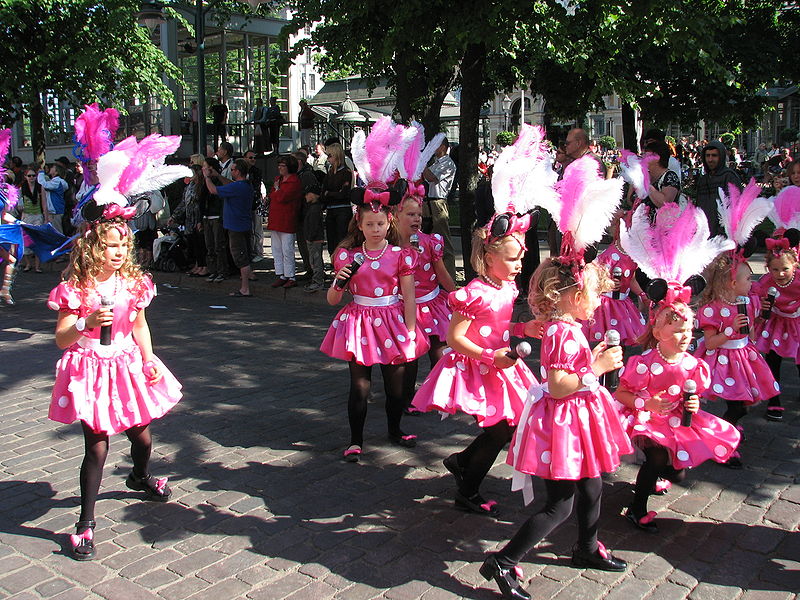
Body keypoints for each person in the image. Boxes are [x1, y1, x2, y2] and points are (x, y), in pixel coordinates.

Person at [481, 153, 630, 600]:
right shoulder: (563, 333)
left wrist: (593, 359)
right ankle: (503, 561)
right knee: (559, 505)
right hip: (563, 424)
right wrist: (595, 369)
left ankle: (587, 547)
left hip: (577, 421)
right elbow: (561, 384)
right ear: (571, 296)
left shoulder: (570, 327)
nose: (598, 302)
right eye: (593, 295)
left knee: (593, 485)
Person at [47, 133, 188, 561]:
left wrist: (148, 358)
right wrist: (86, 323)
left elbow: (140, 324)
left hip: (126, 364)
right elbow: (61, 337)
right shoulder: (77, 287)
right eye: (110, 245)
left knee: (142, 437)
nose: (118, 251)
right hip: (91, 366)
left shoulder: (134, 282)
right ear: (94, 245)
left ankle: (139, 476)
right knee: (97, 446)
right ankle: (85, 523)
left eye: (123, 244)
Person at [320, 193, 428, 461]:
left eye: (380, 224)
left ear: (389, 222)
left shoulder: (400, 255)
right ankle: (355, 441)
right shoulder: (349, 256)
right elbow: (332, 300)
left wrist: (411, 331)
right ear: (359, 225)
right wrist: (339, 281)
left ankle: (395, 430)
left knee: (396, 387)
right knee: (359, 387)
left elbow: (409, 297)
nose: (375, 229)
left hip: (392, 323)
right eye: (369, 224)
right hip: (360, 324)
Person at [752, 228, 800, 422]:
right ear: (768, 268)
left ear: (795, 265)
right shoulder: (765, 283)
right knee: (773, 360)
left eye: (785, 269)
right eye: (775, 269)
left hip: (796, 321)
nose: (780, 274)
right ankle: (774, 398)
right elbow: (755, 299)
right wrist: (761, 305)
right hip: (776, 322)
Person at [582, 216, 645, 348]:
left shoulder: (632, 256)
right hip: (607, 306)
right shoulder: (609, 255)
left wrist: (642, 294)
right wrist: (605, 283)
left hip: (622, 303)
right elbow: (589, 273)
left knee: (622, 339)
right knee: (607, 339)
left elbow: (631, 279)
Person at [203, 158, 254, 297]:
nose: (230, 172)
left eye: (232, 170)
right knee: (243, 255)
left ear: (238, 171)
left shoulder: (238, 187)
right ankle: (247, 282)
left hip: (236, 226)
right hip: (242, 225)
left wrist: (207, 177)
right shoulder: (244, 185)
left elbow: (213, 190)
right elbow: (230, 184)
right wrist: (218, 176)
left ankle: (245, 288)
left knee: (240, 257)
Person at [422, 138, 457, 280]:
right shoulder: (436, 163)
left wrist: (421, 163)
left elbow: (430, 177)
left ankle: (450, 278)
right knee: (429, 239)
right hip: (429, 202)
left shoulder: (447, 163)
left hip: (438, 203)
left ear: (443, 147)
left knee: (444, 241)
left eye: (436, 145)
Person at [266, 155, 302, 289]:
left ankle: (291, 276)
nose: (280, 168)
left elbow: (282, 197)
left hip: (287, 219)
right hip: (275, 218)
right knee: (276, 249)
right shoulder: (278, 179)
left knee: (287, 249)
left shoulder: (294, 181)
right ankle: (281, 274)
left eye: (283, 166)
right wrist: (276, 191)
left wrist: (276, 191)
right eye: (279, 165)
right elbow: (273, 195)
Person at [694, 140, 742, 236]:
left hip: (723, 233)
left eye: (714, 155)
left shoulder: (729, 176)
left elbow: (734, 206)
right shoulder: (703, 180)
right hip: (704, 233)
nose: (710, 159)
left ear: (721, 157)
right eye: (707, 156)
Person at [170, 164, 207, 277]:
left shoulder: (202, 186)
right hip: (189, 219)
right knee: (193, 243)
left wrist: (201, 220)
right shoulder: (189, 187)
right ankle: (197, 264)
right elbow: (183, 203)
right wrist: (174, 216)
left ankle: (203, 265)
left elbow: (202, 203)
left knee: (201, 243)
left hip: (199, 218)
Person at [295, 150, 323, 291]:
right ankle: (313, 276)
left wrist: (310, 236)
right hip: (310, 234)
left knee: (315, 259)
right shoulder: (312, 207)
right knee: (312, 258)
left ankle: (317, 280)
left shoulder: (314, 208)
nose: (305, 196)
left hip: (314, 237)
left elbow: (315, 225)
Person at [321, 143, 352, 257]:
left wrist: (329, 193)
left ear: (336, 155)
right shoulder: (330, 172)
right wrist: (329, 194)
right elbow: (324, 191)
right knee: (331, 240)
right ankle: (333, 260)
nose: (328, 159)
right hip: (331, 209)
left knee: (341, 239)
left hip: (342, 210)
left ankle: (342, 261)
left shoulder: (346, 172)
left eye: (330, 156)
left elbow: (343, 193)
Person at [19, 167, 44, 273]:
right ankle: (28, 264)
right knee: (26, 240)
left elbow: (44, 203)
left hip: (37, 216)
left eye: (33, 175)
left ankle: (37, 266)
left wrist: (46, 217)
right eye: (29, 175)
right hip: (26, 216)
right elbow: (19, 202)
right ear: (25, 177)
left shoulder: (40, 187)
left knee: (37, 241)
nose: (31, 177)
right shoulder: (22, 188)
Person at [38, 163, 69, 234]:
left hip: (55, 211)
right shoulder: (55, 181)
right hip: (55, 211)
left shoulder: (57, 181)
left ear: (56, 171)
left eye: (53, 168)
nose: (50, 168)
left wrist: (41, 173)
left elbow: (43, 184)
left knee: (57, 232)